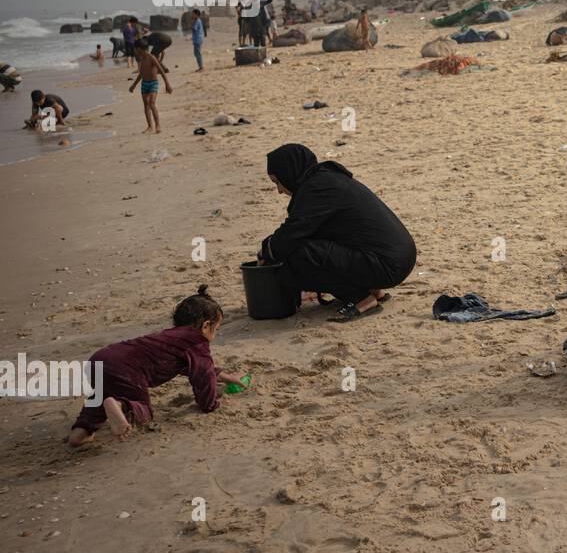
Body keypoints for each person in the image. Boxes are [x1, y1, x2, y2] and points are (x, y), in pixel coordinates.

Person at [67, 286, 244, 446]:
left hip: (99, 360)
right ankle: (119, 406)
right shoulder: (197, 342)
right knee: (143, 410)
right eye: (217, 329)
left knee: (98, 398)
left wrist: (222, 375)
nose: (215, 334)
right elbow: (202, 376)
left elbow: (185, 365)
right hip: (127, 369)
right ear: (206, 326)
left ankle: (80, 434)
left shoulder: (171, 337)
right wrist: (210, 404)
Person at [259, 144, 417, 322]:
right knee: (309, 242)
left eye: (277, 182)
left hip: (387, 264)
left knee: (299, 253)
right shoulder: (327, 178)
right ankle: (374, 290)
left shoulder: (317, 189)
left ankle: (362, 299)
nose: (279, 190)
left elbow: (290, 236)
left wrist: (266, 250)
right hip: (398, 258)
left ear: (289, 173)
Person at [128, 41, 172, 134]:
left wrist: (167, 84)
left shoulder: (151, 58)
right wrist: (134, 85)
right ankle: (149, 126)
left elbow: (161, 70)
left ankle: (158, 126)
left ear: (139, 49)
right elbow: (141, 74)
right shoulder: (141, 59)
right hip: (144, 84)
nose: (135, 51)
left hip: (153, 83)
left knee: (152, 103)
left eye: (136, 49)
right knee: (146, 105)